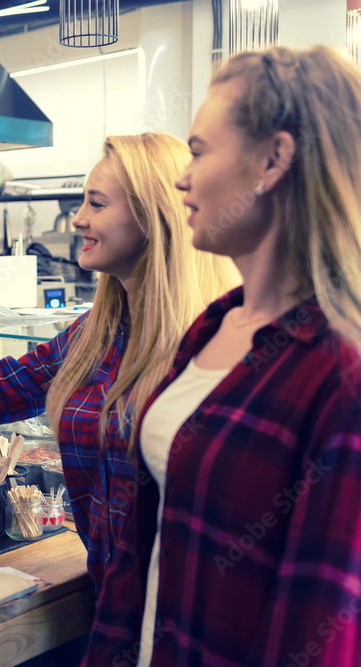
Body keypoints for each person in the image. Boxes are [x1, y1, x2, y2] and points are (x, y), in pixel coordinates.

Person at [0, 133, 240, 596]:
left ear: (152, 218)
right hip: (111, 600)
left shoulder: (220, 343)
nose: (79, 218)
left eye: (96, 204)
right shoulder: (94, 333)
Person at [82, 45, 361, 666]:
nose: (183, 177)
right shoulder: (211, 327)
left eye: (200, 151)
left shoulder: (340, 372)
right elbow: (146, 555)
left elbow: (318, 633)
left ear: (273, 160)